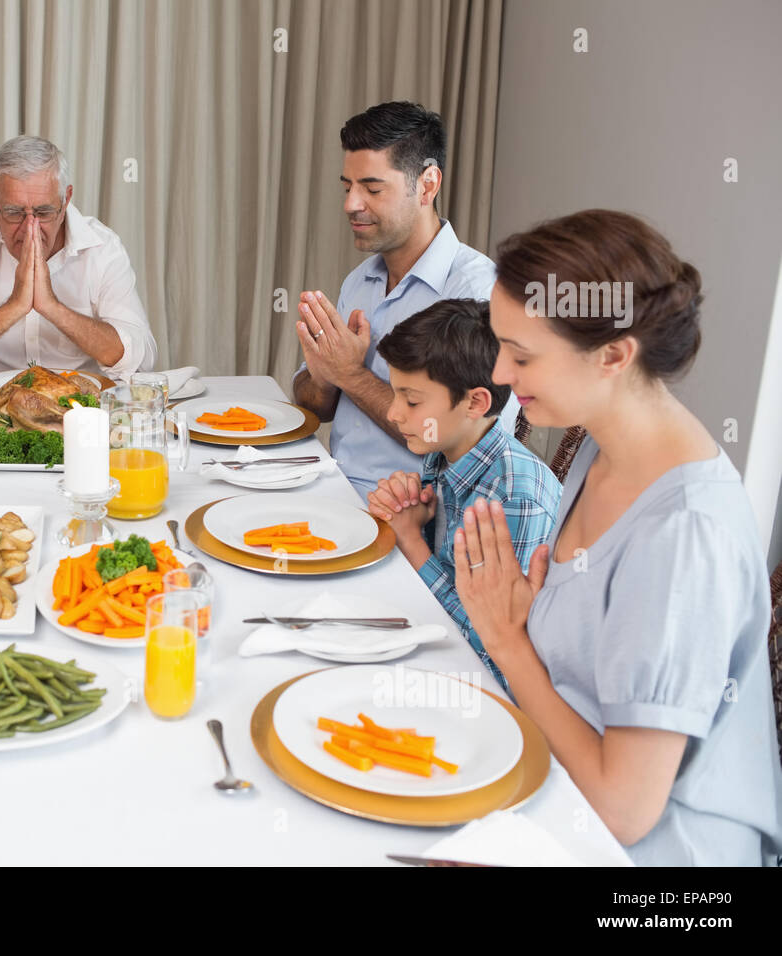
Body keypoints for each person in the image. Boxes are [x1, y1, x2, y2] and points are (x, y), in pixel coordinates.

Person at [451, 209, 782, 865]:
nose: (500, 373)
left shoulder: (686, 537)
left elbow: (624, 812)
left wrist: (510, 644)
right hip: (560, 793)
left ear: (613, 356)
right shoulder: (599, 455)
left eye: (521, 355)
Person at [291, 101, 514, 500]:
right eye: (347, 188)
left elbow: (477, 447)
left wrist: (350, 374)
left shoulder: (478, 292)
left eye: (372, 189)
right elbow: (317, 408)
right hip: (334, 489)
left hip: (415, 524)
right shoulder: (358, 282)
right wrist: (323, 375)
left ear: (428, 185)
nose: (351, 205)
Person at [365, 299, 560, 691]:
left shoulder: (515, 497)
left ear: (475, 402)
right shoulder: (448, 452)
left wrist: (411, 542)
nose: (393, 413)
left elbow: (496, 655)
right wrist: (409, 506)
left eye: (412, 400)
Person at [0, 135, 156, 381]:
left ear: (65, 200)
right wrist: (14, 306)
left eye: (43, 212)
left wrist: (52, 307)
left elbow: (142, 360)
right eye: (14, 212)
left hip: (78, 411)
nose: (29, 228)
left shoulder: (102, 248)